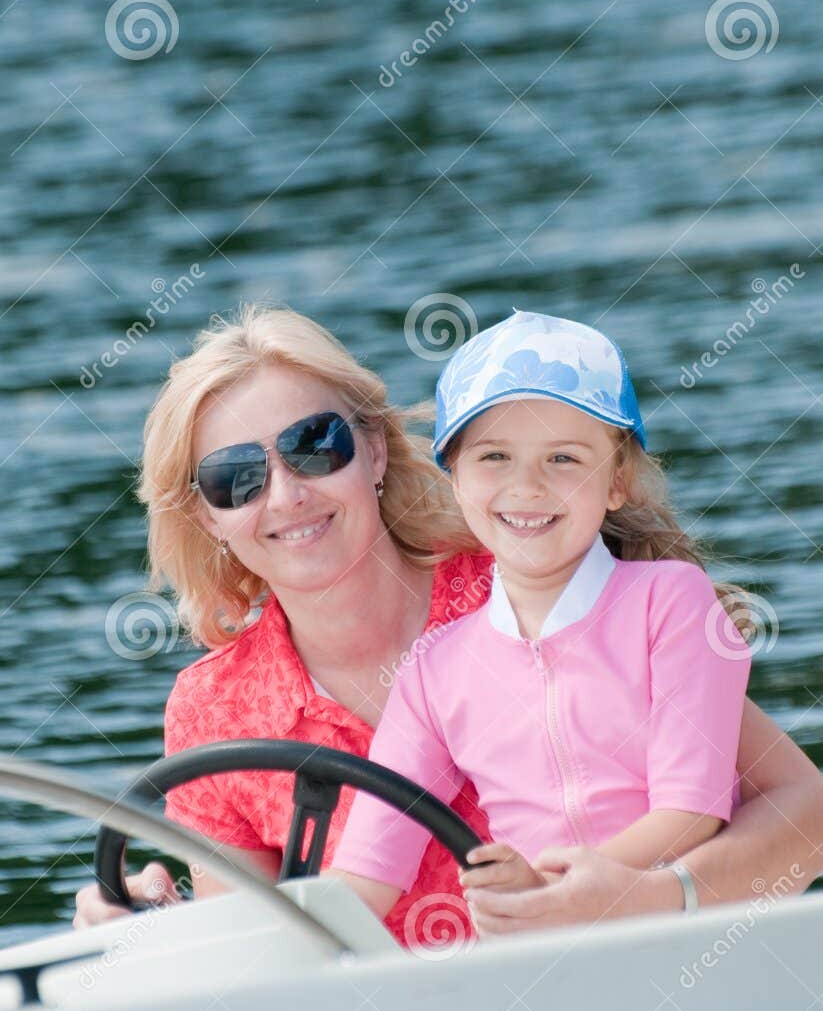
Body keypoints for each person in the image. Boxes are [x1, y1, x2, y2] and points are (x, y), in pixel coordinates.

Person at [73, 303, 822, 940]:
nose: (287, 494)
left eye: (313, 446)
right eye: (234, 478)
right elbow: (262, 957)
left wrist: (642, 896)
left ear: (371, 451)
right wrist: (158, 926)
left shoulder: (529, 575)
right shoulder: (215, 713)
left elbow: (805, 818)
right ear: (205, 515)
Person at [331, 310, 751, 925]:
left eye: (562, 459)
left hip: (685, 943)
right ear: (456, 479)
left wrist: (555, 889)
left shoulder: (671, 601)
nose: (526, 487)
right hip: (541, 967)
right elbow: (366, 872)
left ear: (617, 481)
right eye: (495, 456)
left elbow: (693, 809)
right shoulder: (433, 670)